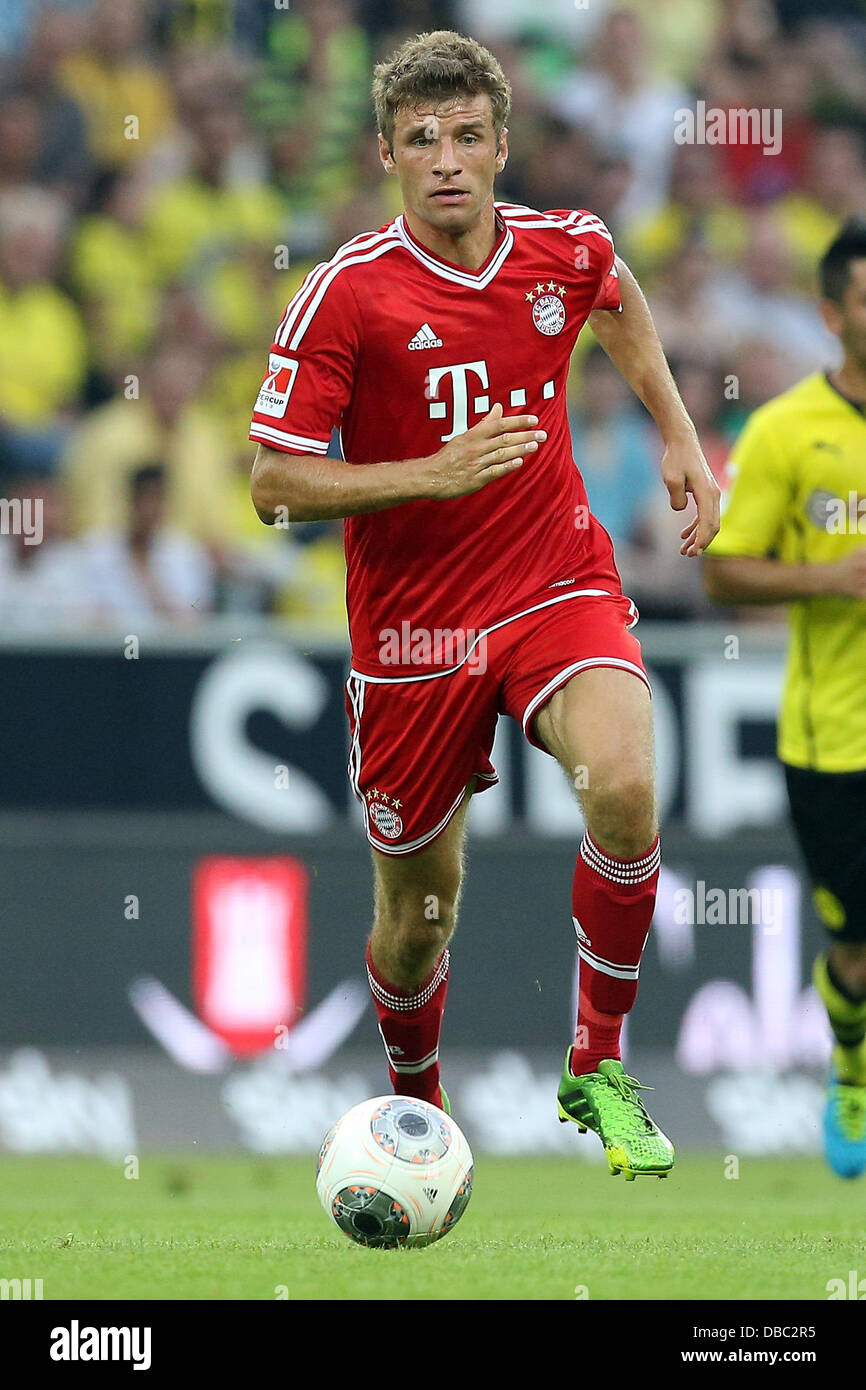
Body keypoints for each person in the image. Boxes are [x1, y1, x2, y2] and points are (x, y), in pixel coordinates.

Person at [250, 30, 719, 1181]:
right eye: (421, 140)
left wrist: (675, 430)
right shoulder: (344, 295)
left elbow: (611, 297)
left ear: (502, 145)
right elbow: (272, 484)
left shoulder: (564, 248)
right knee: (415, 924)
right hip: (413, 633)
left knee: (622, 782)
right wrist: (428, 471)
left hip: (554, 578)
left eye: (466, 136)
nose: (445, 159)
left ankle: (595, 1062)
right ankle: (420, 1112)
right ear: (386, 155)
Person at [703, 218, 866, 1179]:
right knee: (857, 953)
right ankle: (851, 1068)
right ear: (830, 313)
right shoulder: (783, 431)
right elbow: (724, 574)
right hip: (835, 738)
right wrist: (826, 580)